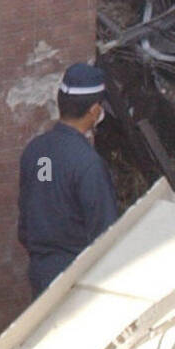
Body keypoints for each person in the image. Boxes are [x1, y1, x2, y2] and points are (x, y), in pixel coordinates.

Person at [17, 62, 119, 297]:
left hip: (40, 272)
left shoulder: (35, 150)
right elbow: (106, 233)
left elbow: (25, 222)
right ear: (94, 111)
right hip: (76, 278)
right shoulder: (87, 163)